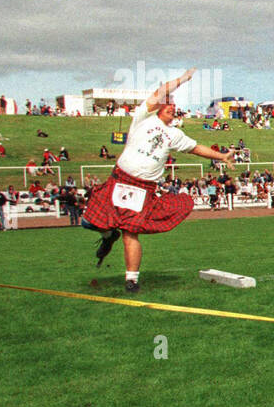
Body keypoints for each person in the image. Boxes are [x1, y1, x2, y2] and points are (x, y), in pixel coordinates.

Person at [81, 70, 234, 292]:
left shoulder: (174, 134)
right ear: (158, 107)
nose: (172, 108)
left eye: (175, 107)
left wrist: (221, 156)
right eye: (168, 105)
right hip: (120, 180)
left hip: (142, 189)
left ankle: (131, 280)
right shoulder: (143, 117)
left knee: (130, 233)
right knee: (89, 221)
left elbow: (196, 148)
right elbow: (161, 91)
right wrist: (183, 80)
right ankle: (107, 234)